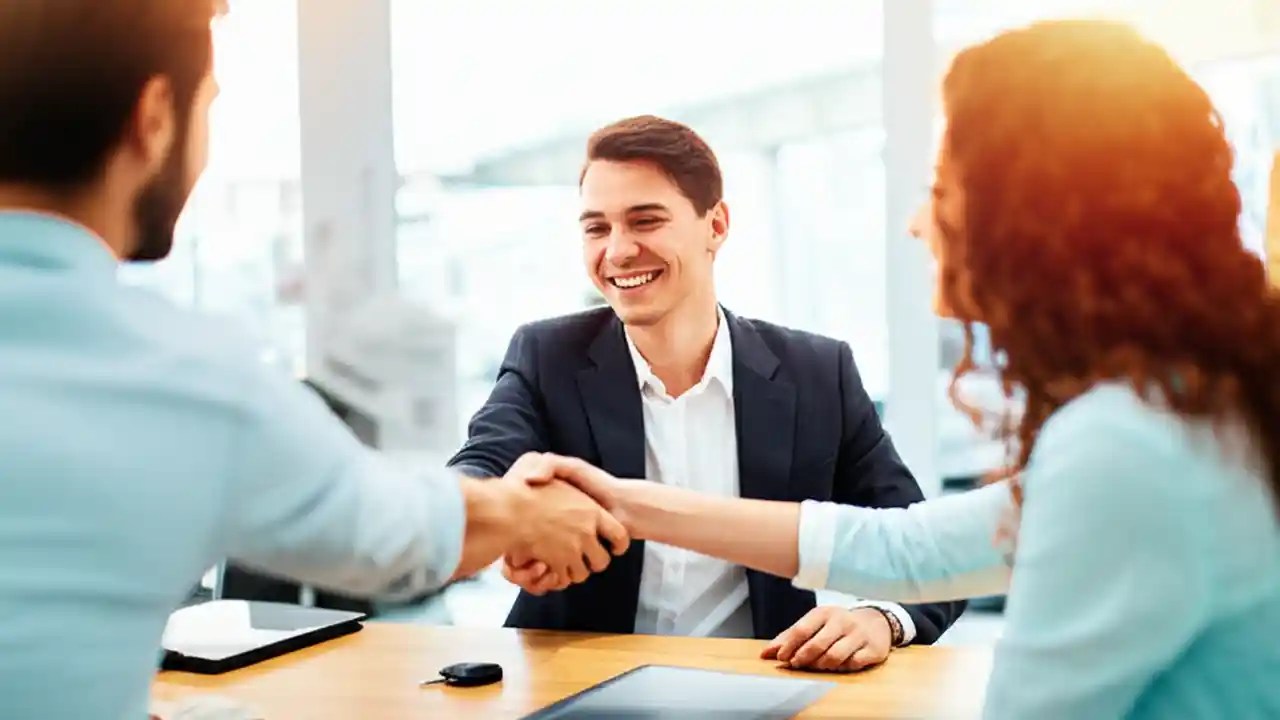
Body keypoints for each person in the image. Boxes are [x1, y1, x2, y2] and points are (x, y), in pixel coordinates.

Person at [513, 20, 1280, 718]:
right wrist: (623, 503)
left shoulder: (1122, 448)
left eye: (942, 192)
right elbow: (908, 550)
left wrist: (876, 619)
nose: (919, 222)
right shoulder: (1180, 409)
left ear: (1036, 225)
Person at [0, 4, 625, 719]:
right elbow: (394, 537)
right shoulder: (182, 378)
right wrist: (523, 512)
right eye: (210, 108)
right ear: (155, 116)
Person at [448, 115, 963, 667]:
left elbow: (928, 552)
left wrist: (879, 617)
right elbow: (475, 470)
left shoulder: (817, 373)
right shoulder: (547, 356)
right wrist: (510, 510)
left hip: (758, 682)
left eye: (645, 221)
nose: (618, 252)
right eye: (596, 228)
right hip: (579, 683)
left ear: (716, 225)